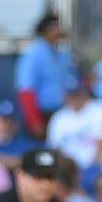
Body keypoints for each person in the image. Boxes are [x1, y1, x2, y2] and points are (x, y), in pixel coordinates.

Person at [15, 12, 77, 140]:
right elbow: (26, 89)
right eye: (55, 27)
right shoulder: (33, 53)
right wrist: (34, 120)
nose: (60, 31)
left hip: (63, 114)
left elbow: (72, 81)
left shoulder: (64, 54)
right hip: (42, 114)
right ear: (46, 30)